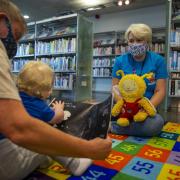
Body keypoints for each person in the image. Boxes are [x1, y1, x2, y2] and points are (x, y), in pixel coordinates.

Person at [0, 0, 112, 179]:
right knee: (48, 136)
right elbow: (20, 129)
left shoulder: (19, 94)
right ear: (1, 22)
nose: (15, 45)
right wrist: (89, 149)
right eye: (15, 35)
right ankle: (74, 162)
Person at [17, 61, 92, 176]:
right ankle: (74, 163)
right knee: (50, 136)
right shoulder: (39, 106)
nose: (51, 91)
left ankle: (40, 160)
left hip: (14, 146)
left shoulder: (16, 98)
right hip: (19, 155)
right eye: (49, 88)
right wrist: (59, 109)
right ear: (38, 89)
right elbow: (56, 118)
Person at [111, 23, 168, 137]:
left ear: (147, 41)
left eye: (139, 40)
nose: (135, 44)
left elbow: (160, 91)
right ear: (127, 42)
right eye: (131, 41)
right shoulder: (119, 61)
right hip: (123, 108)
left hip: (145, 110)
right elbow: (114, 89)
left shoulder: (159, 61)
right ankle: (129, 126)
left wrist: (145, 108)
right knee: (99, 113)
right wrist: (124, 106)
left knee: (156, 124)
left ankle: (113, 127)